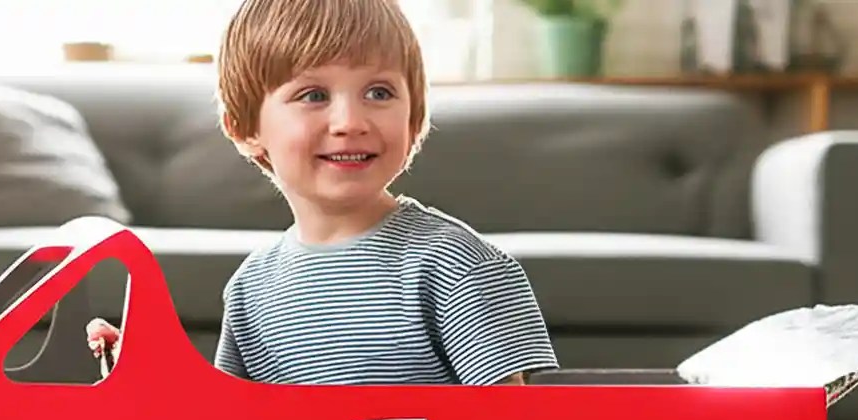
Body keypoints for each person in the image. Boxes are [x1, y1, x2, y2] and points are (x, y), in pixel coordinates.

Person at [87, 0, 557, 385]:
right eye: (313, 95)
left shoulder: (457, 265)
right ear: (245, 128)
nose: (351, 122)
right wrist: (148, 374)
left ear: (415, 120)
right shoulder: (251, 288)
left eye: (378, 92)